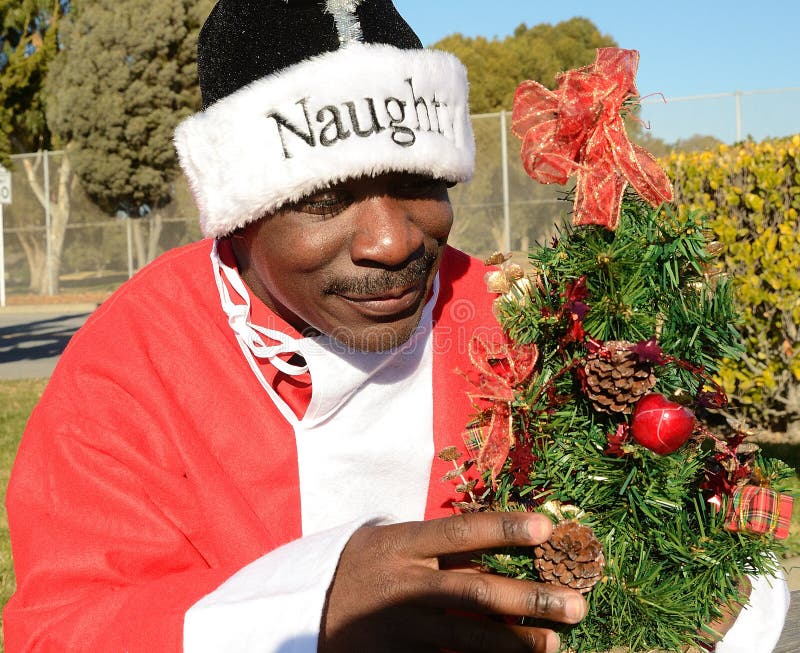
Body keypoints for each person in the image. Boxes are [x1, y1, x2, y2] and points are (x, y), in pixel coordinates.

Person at [3, 1, 788, 652]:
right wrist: (309, 611)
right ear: (239, 218)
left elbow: (720, 532)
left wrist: (705, 601)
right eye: (322, 195)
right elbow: (61, 627)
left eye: (417, 181)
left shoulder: (519, 318)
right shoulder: (128, 363)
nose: (394, 239)